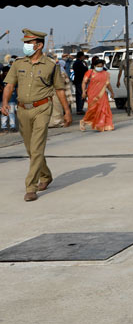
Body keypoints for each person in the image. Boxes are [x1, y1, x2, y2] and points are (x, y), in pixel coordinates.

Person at [1, 29, 72, 201]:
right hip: (22, 109)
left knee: (37, 146)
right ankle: (46, 175)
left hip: (42, 108)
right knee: (30, 149)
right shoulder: (18, 64)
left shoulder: (50, 65)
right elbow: (9, 85)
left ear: (39, 45)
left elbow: (59, 89)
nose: (25, 46)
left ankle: (30, 186)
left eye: (29, 43)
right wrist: (4, 103)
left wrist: (66, 111)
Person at [80, 56, 115, 132]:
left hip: (102, 95)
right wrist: (83, 91)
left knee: (104, 109)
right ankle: (83, 121)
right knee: (92, 110)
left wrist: (112, 92)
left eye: (101, 66)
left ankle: (104, 125)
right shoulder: (90, 72)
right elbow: (84, 82)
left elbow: (108, 84)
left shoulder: (106, 74)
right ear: (94, 66)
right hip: (92, 94)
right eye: (98, 66)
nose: (100, 68)